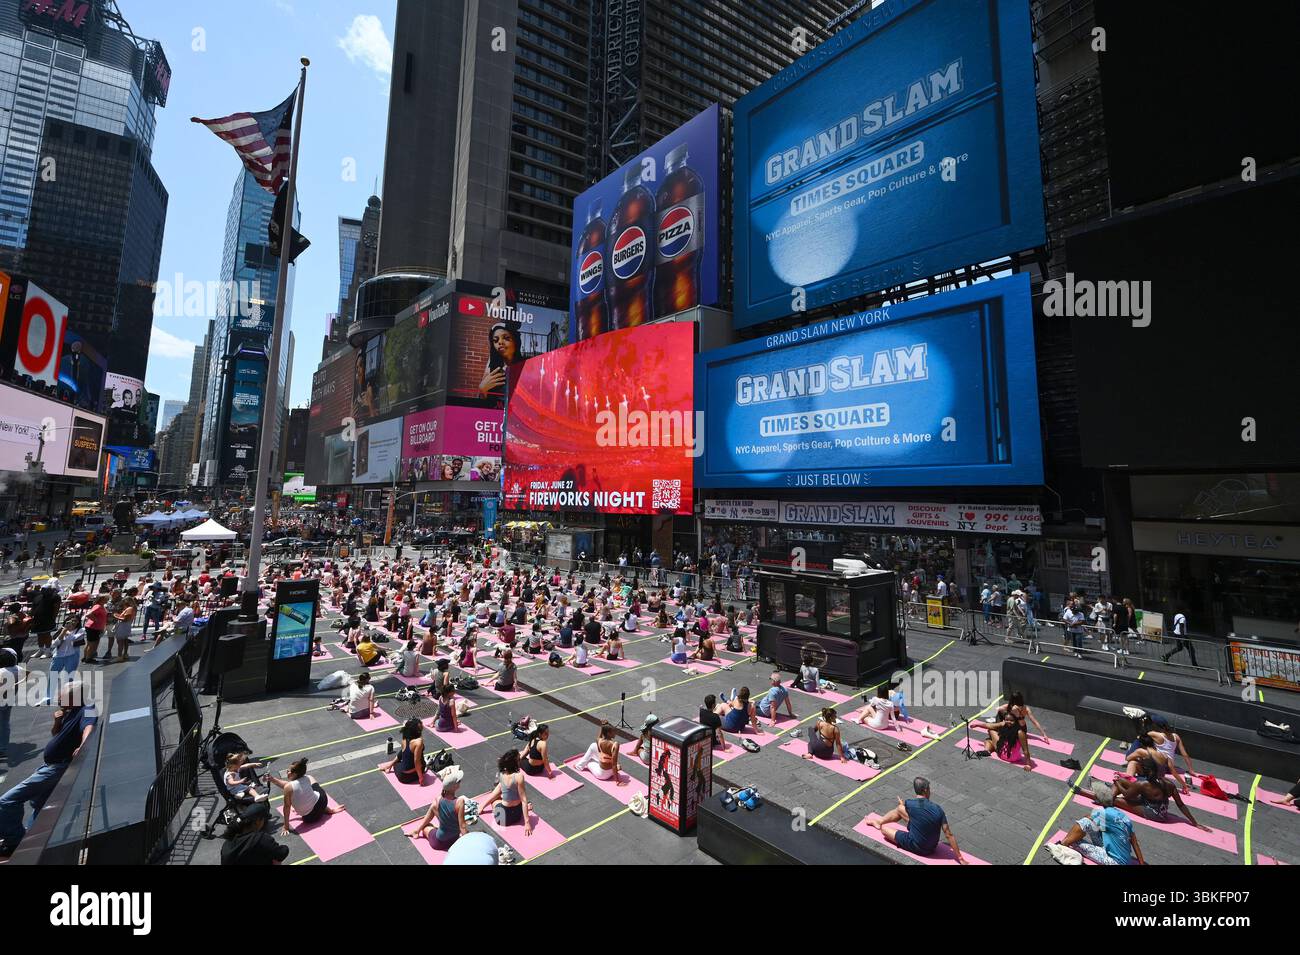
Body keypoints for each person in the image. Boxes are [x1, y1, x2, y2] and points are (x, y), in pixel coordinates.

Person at [0, 681, 97, 856]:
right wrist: (57, 722)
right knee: (39, 804)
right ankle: (30, 842)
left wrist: (84, 744)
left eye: (63, 696)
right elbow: (56, 734)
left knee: (7, 801)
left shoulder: (88, 707)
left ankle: (15, 840)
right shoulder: (70, 711)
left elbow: (89, 727)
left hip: (58, 767)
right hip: (50, 765)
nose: (58, 699)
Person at [868, 777, 967, 864]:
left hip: (917, 846)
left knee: (884, 829)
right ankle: (879, 821)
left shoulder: (910, 803)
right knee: (901, 809)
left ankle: (879, 822)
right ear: (925, 790)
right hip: (932, 847)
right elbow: (948, 834)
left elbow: (903, 809)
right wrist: (960, 858)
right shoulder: (938, 809)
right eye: (929, 789)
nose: (930, 791)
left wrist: (901, 804)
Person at [1050, 781, 1144, 865]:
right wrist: (1141, 863)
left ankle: (1063, 844)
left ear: (1098, 801)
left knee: (1075, 840)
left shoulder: (1101, 813)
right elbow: (1134, 842)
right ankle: (1065, 843)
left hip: (1114, 861)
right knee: (1087, 822)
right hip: (1124, 859)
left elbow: (1086, 818)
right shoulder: (1124, 816)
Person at [972, 692, 1049, 771]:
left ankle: (988, 750)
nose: (1008, 722)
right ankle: (989, 749)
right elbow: (1025, 749)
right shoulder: (1021, 730)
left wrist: (1029, 765)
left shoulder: (1008, 724)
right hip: (1015, 757)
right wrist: (1044, 734)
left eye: (1010, 720)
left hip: (1004, 755)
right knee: (990, 740)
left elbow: (990, 726)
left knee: (990, 735)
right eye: (1007, 720)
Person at [268, 758, 346, 829]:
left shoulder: (288, 787)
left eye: (288, 771)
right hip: (322, 803)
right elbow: (289, 785)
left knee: (292, 789)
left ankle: (327, 810)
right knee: (311, 783)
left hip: (309, 818)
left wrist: (286, 826)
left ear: (294, 774)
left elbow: (286, 808)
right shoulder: (306, 778)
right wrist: (272, 779)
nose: (287, 772)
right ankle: (329, 810)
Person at [410, 765, 470, 848]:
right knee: (431, 825)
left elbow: (429, 816)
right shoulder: (460, 802)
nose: (460, 781)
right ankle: (422, 830)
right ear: (455, 787)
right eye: (459, 781)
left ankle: (417, 831)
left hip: (439, 843)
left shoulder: (437, 801)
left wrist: (418, 829)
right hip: (455, 840)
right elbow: (462, 827)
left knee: (427, 826)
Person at [480, 750, 533, 834]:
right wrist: (527, 823)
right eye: (519, 759)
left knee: (495, 799)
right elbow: (524, 800)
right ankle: (525, 809)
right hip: (517, 815)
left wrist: (482, 806)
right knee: (524, 802)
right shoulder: (519, 777)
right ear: (515, 763)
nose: (520, 761)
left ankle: (490, 807)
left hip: (501, 819)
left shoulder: (502, 774)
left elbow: (497, 791)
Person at [221, 801, 289, 866]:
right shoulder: (261, 839)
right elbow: (281, 853)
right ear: (258, 821)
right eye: (264, 820)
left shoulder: (227, 844)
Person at [46, 613, 83, 704]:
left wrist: (67, 632)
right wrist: (63, 632)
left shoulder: (81, 630)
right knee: (53, 676)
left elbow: (73, 639)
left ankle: (65, 697)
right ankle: (49, 696)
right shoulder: (61, 630)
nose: (73, 623)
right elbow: (54, 644)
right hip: (58, 656)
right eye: (71, 621)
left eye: (75, 621)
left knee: (69, 678)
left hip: (72, 656)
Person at [378, 718, 426, 785]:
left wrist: (391, 764)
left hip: (401, 774)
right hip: (408, 776)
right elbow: (416, 762)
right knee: (422, 763)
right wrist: (421, 778)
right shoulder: (418, 742)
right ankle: (390, 765)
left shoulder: (405, 736)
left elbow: (403, 752)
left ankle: (389, 765)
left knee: (398, 762)